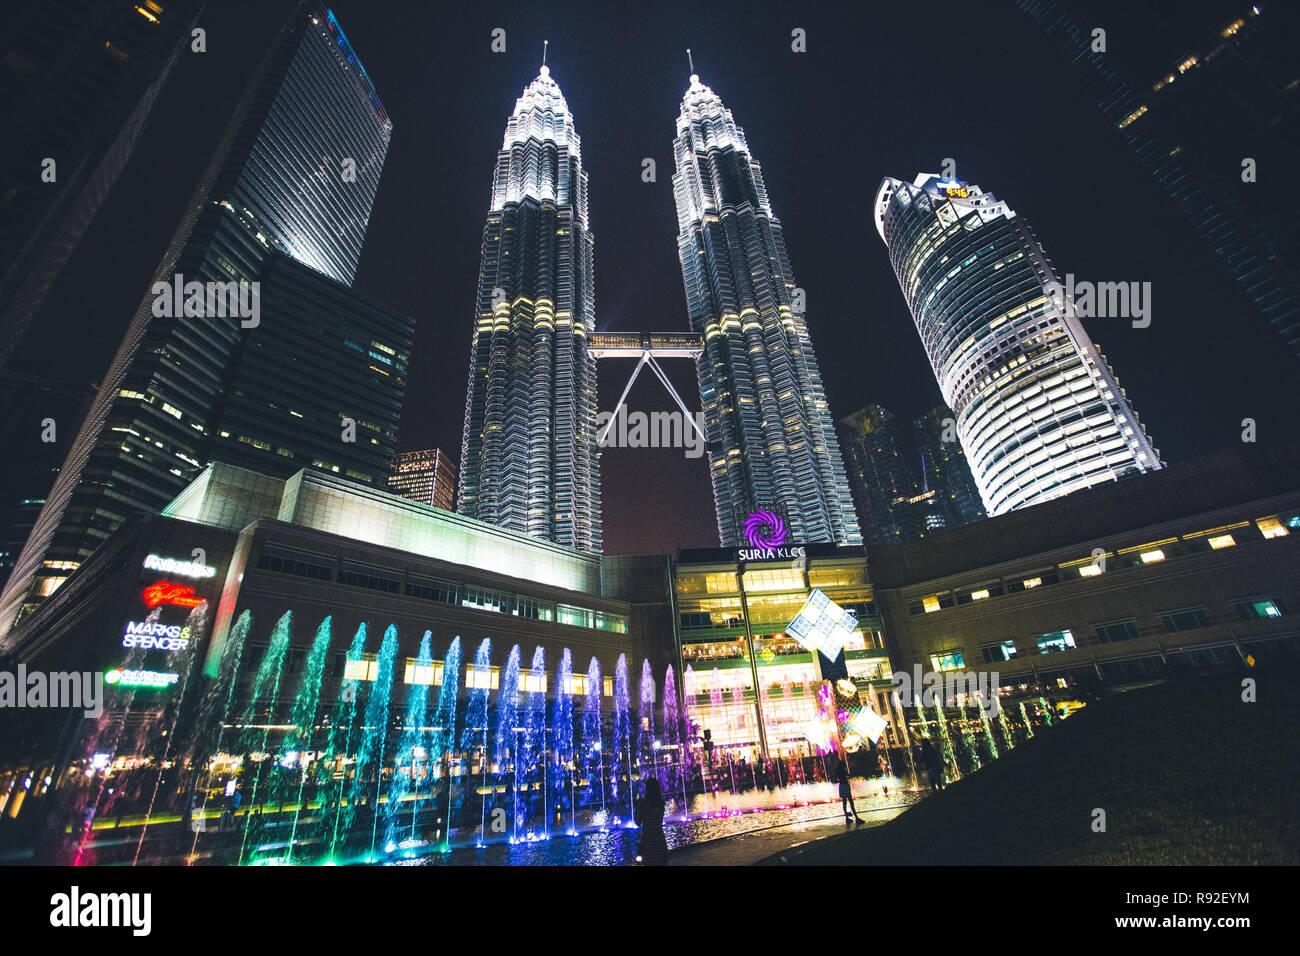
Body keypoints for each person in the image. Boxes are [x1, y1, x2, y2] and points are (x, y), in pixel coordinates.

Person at [635, 778, 668, 865]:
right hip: (660, 840)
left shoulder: (643, 804)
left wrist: (636, 806)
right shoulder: (661, 804)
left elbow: (637, 822)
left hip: (648, 841)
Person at [834, 756, 863, 824]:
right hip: (845, 786)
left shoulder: (838, 772)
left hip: (841, 786)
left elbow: (837, 778)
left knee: (844, 803)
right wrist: (848, 776)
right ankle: (856, 818)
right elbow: (845, 777)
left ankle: (847, 818)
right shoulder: (843, 771)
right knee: (851, 802)